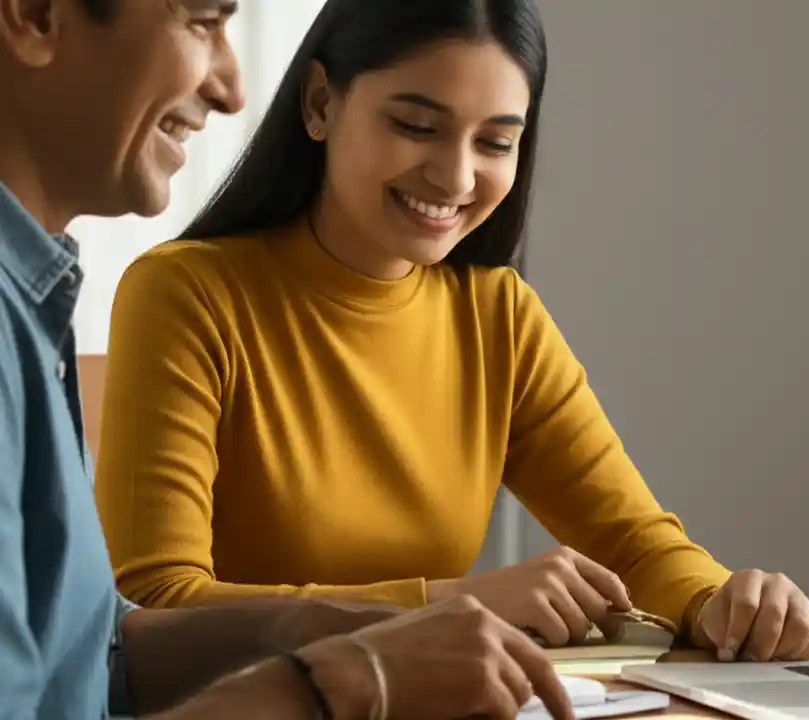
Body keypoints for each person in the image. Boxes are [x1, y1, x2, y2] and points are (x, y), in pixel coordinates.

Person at [94, 0, 809, 663]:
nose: (454, 177)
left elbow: (636, 542)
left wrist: (721, 602)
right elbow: (154, 604)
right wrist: (446, 605)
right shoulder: (187, 293)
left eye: (496, 143)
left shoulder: (496, 315)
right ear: (320, 103)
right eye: (416, 126)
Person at [0, 0, 574, 717]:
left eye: (494, 142)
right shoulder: (168, 293)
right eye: (202, 22)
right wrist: (349, 679)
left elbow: (95, 655)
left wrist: (360, 634)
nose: (232, 89)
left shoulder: (31, 302)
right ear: (36, 14)